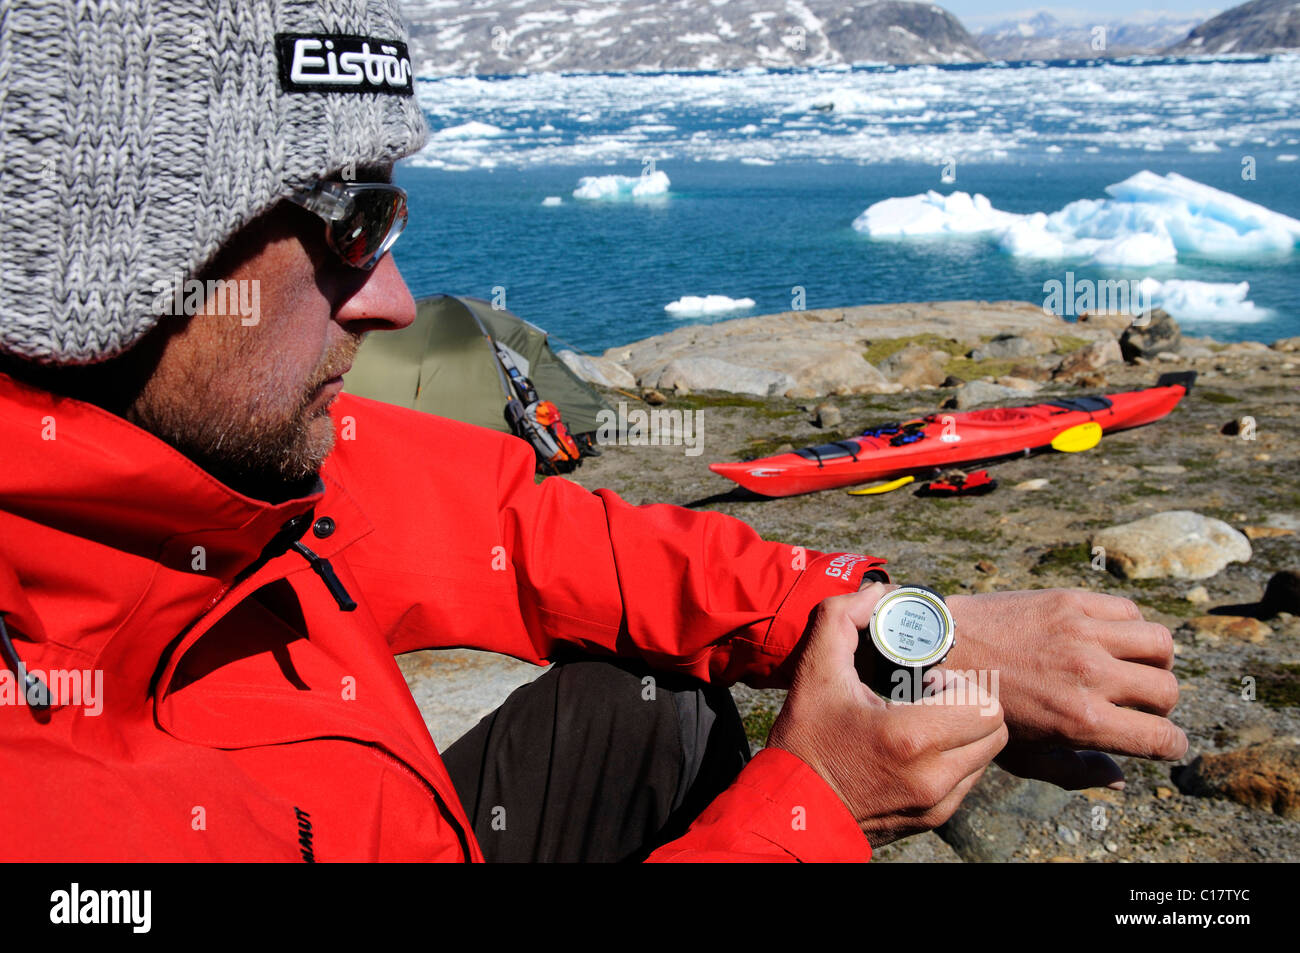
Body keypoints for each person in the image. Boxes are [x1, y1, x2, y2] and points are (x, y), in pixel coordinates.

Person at [0, 0, 1185, 862]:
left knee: (644, 703)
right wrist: (812, 806)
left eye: (391, 214)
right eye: (348, 223)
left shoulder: (229, 478)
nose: (396, 301)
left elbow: (532, 531)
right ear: (104, 259)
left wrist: (894, 626)